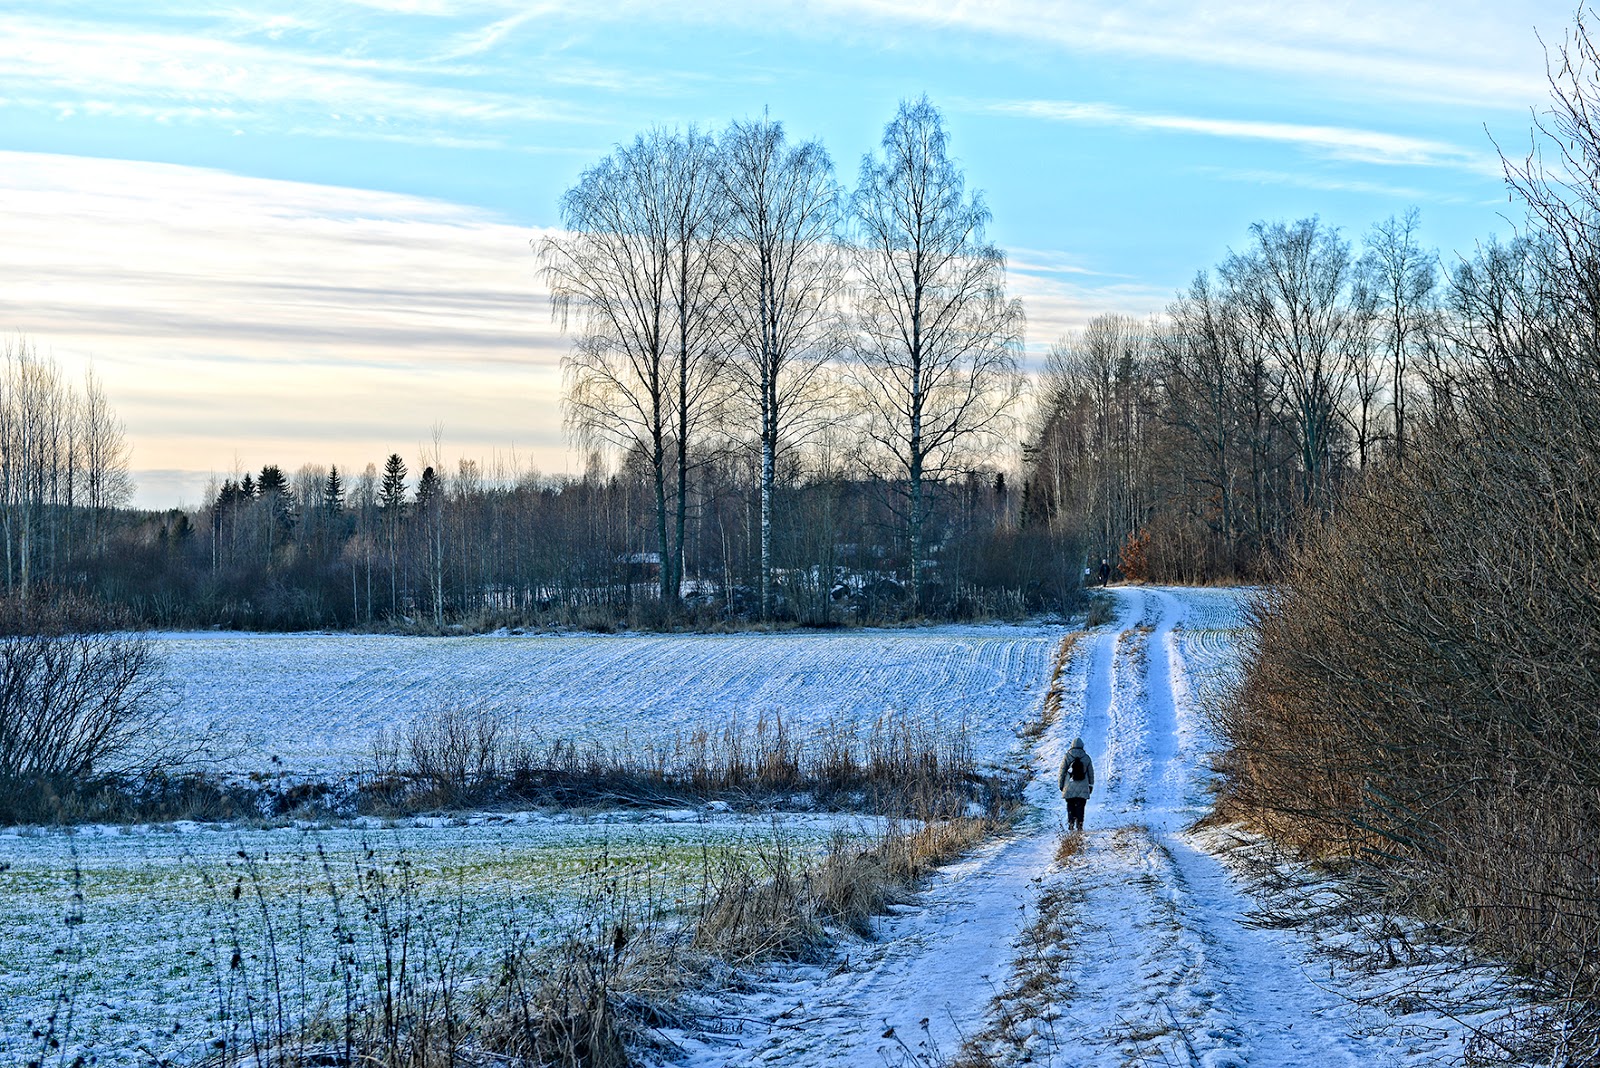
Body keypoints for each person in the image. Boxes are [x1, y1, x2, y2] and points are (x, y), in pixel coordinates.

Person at [1058, 737, 1095, 831]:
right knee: (1081, 806)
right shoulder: (1086, 758)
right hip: (1083, 786)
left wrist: (1061, 784)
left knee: (1070, 805)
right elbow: (1091, 773)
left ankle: (1071, 823)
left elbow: (1062, 771)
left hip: (1069, 785)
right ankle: (1080, 825)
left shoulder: (1067, 756)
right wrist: (1091, 785)